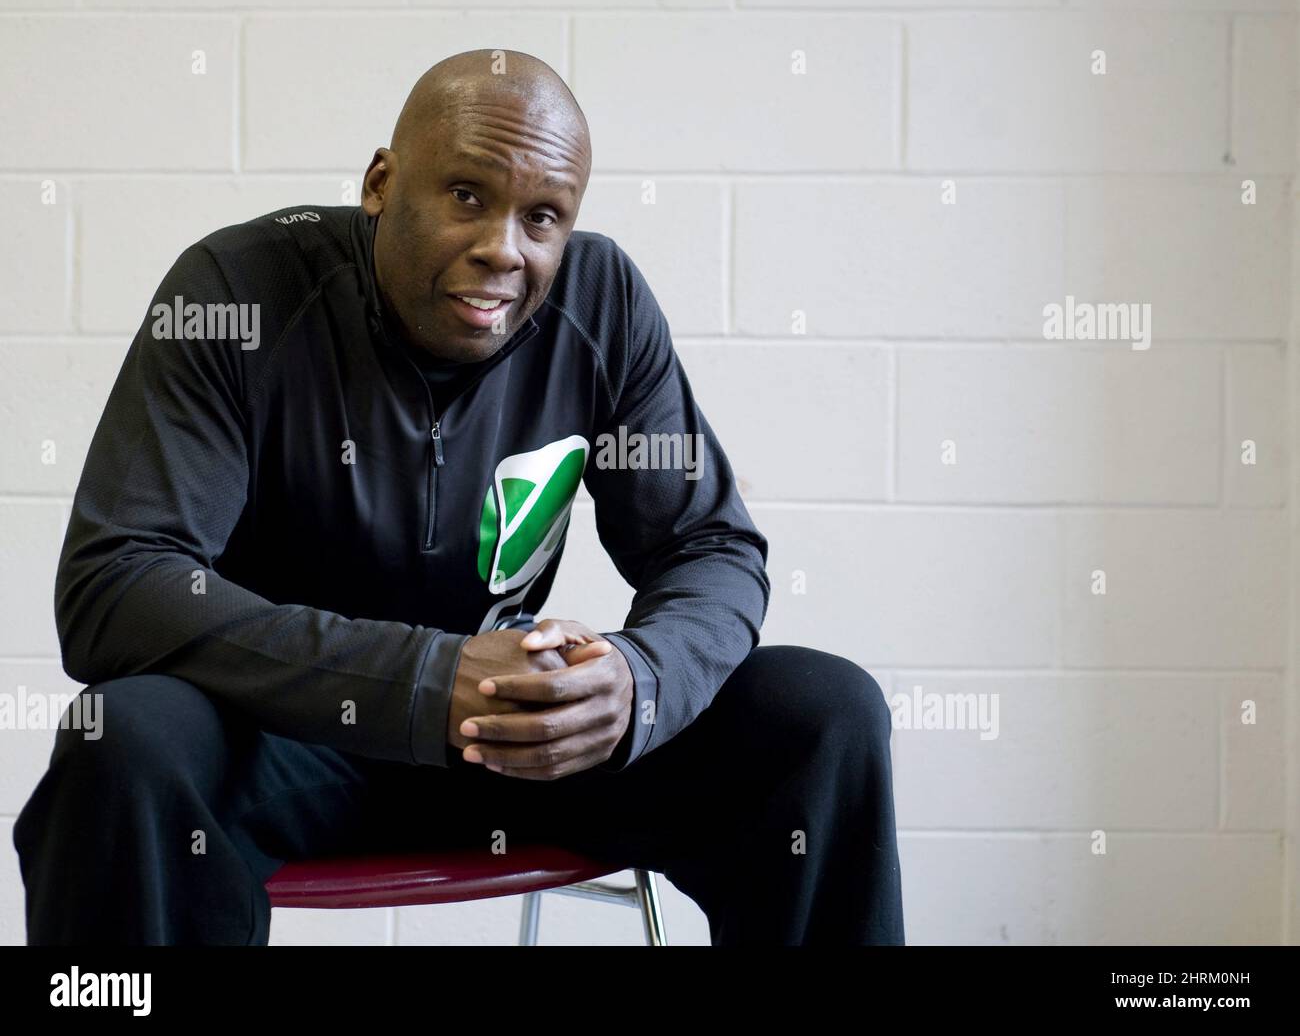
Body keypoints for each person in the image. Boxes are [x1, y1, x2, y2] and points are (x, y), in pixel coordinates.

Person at [13, 49, 904, 945]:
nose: (503, 249)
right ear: (380, 183)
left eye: (543, 217)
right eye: (467, 196)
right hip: (286, 742)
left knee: (821, 711)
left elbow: (708, 549)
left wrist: (639, 680)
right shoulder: (237, 292)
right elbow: (115, 585)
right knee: (119, 737)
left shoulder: (604, 303)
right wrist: (427, 681)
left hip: (518, 750)